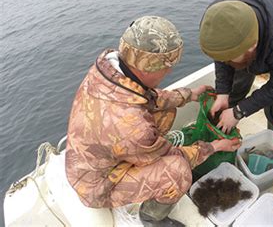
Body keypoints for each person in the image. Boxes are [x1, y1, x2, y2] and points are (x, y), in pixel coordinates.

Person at [65, 16, 240, 226]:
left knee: (164, 111)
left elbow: (143, 97)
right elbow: (176, 156)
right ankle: (151, 218)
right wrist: (215, 146)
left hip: (95, 159)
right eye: (168, 66)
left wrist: (189, 94)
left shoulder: (108, 70)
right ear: (149, 67)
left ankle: (145, 155)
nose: (170, 71)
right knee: (178, 172)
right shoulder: (133, 127)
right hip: (98, 187)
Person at [199, 0, 273, 134]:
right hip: (254, 25)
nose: (224, 61)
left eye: (229, 57)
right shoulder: (216, 19)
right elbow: (221, 54)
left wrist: (239, 111)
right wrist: (223, 92)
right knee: (235, 85)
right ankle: (226, 116)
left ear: (252, 46)